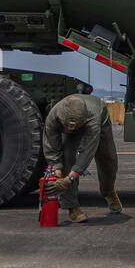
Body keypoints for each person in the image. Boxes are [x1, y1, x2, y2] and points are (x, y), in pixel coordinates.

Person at [42, 93, 123, 223]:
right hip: (74, 124)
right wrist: (57, 173)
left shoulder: (93, 120)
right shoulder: (54, 116)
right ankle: (72, 207)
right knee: (66, 157)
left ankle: (108, 192)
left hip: (99, 119)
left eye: (73, 127)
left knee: (108, 159)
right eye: (67, 126)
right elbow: (51, 146)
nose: (70, 129)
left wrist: (69, 178)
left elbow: (87, 153)